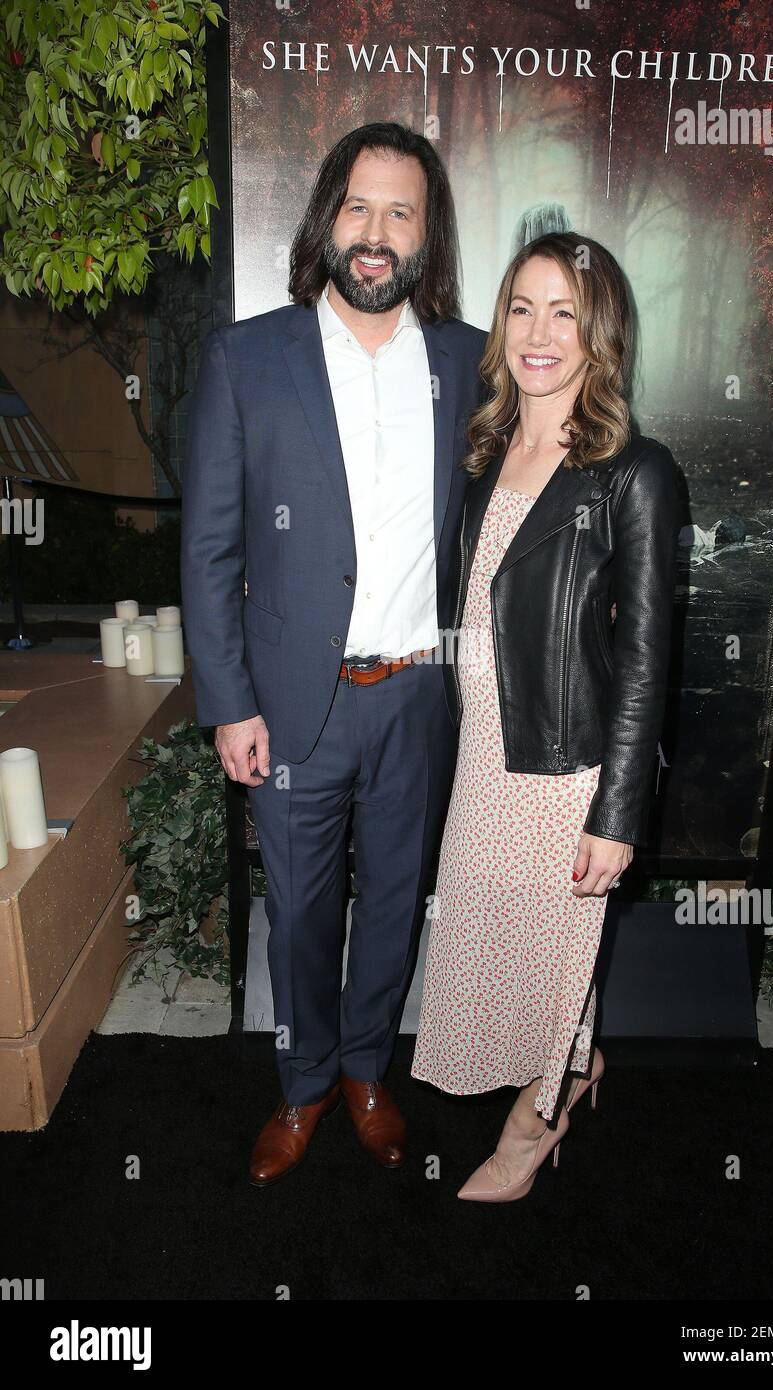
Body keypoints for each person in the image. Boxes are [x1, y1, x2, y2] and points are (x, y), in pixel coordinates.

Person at [181, 122, 487, 1185]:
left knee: (396, 900)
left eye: (400, 212)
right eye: (358, 206)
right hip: (291, 702)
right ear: (327, 218)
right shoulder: (248, 355)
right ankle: (305, 1083)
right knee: (302, 913)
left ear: (425, 234)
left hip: (416, 701)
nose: (376, 232)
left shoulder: (466, 360)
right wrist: (228, 704)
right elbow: (210, 548)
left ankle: (368, 1070)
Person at [411, 231, 680, 1201]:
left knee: (550, 958)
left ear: (598, 335)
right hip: (486, 755)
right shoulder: (486, 452)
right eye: (522, 306)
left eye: (565, 311)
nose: (538, 331)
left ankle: (533, 1124)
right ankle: (575, 1058)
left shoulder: (631, 474)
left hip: (564, 775)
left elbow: (650, 658)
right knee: (495, 948)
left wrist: (616, 815)